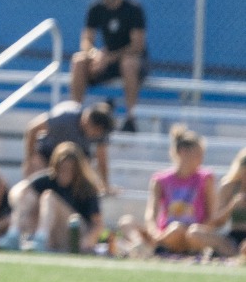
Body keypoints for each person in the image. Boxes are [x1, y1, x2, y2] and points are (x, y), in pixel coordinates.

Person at [71, 0, 147, 131]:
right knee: (79, 60)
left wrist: (108, 57)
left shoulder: (133, 9)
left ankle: (130, 118)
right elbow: (86, 41)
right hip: (106, 60)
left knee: (128, 63)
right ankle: (75, 115)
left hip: (131, 62)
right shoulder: (96, 8)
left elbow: (137, 46)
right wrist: (95, 54)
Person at [127, 126, 218, 258]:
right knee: (127, 222)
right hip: (166, 232)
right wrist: (154, 231)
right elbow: (151, 212)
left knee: (182, 230)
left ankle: (151, 247)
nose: (201, 159)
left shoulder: (206, 178)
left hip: (191, 232)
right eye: (197, 154)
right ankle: (154, 243)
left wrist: (196, 231)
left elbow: (211, 217)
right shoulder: (160, 179)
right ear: (182, 152)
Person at [7, 141, 104, 251]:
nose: (65, 172)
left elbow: (98, 223)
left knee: (49, 197)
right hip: (54, 232)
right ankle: (13, 234)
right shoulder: (48, 179)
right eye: (62, 168)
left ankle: (41, 238)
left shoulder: (86, 187)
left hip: (76, 232)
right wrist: (23, 206)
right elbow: (19, 192)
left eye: (69, 169)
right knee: (28, 197)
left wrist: (89, 240)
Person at [23, 100, 114, 193]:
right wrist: (29, 158)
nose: (96, 136)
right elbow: (33, 129)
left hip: (75, 159)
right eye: (95, 131)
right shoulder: (64, 118)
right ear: (88, 120)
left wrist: (105, 185)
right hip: (47, 153)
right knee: (36, 168)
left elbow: (101, 159)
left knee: (89, 180)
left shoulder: (100, 132)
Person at [212, 147, 246, 261]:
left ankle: (234, 255)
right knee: (195, 232)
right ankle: (236, 256)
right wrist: (232, 205)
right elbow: (216, 222)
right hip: (232, 237)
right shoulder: (229, 187)